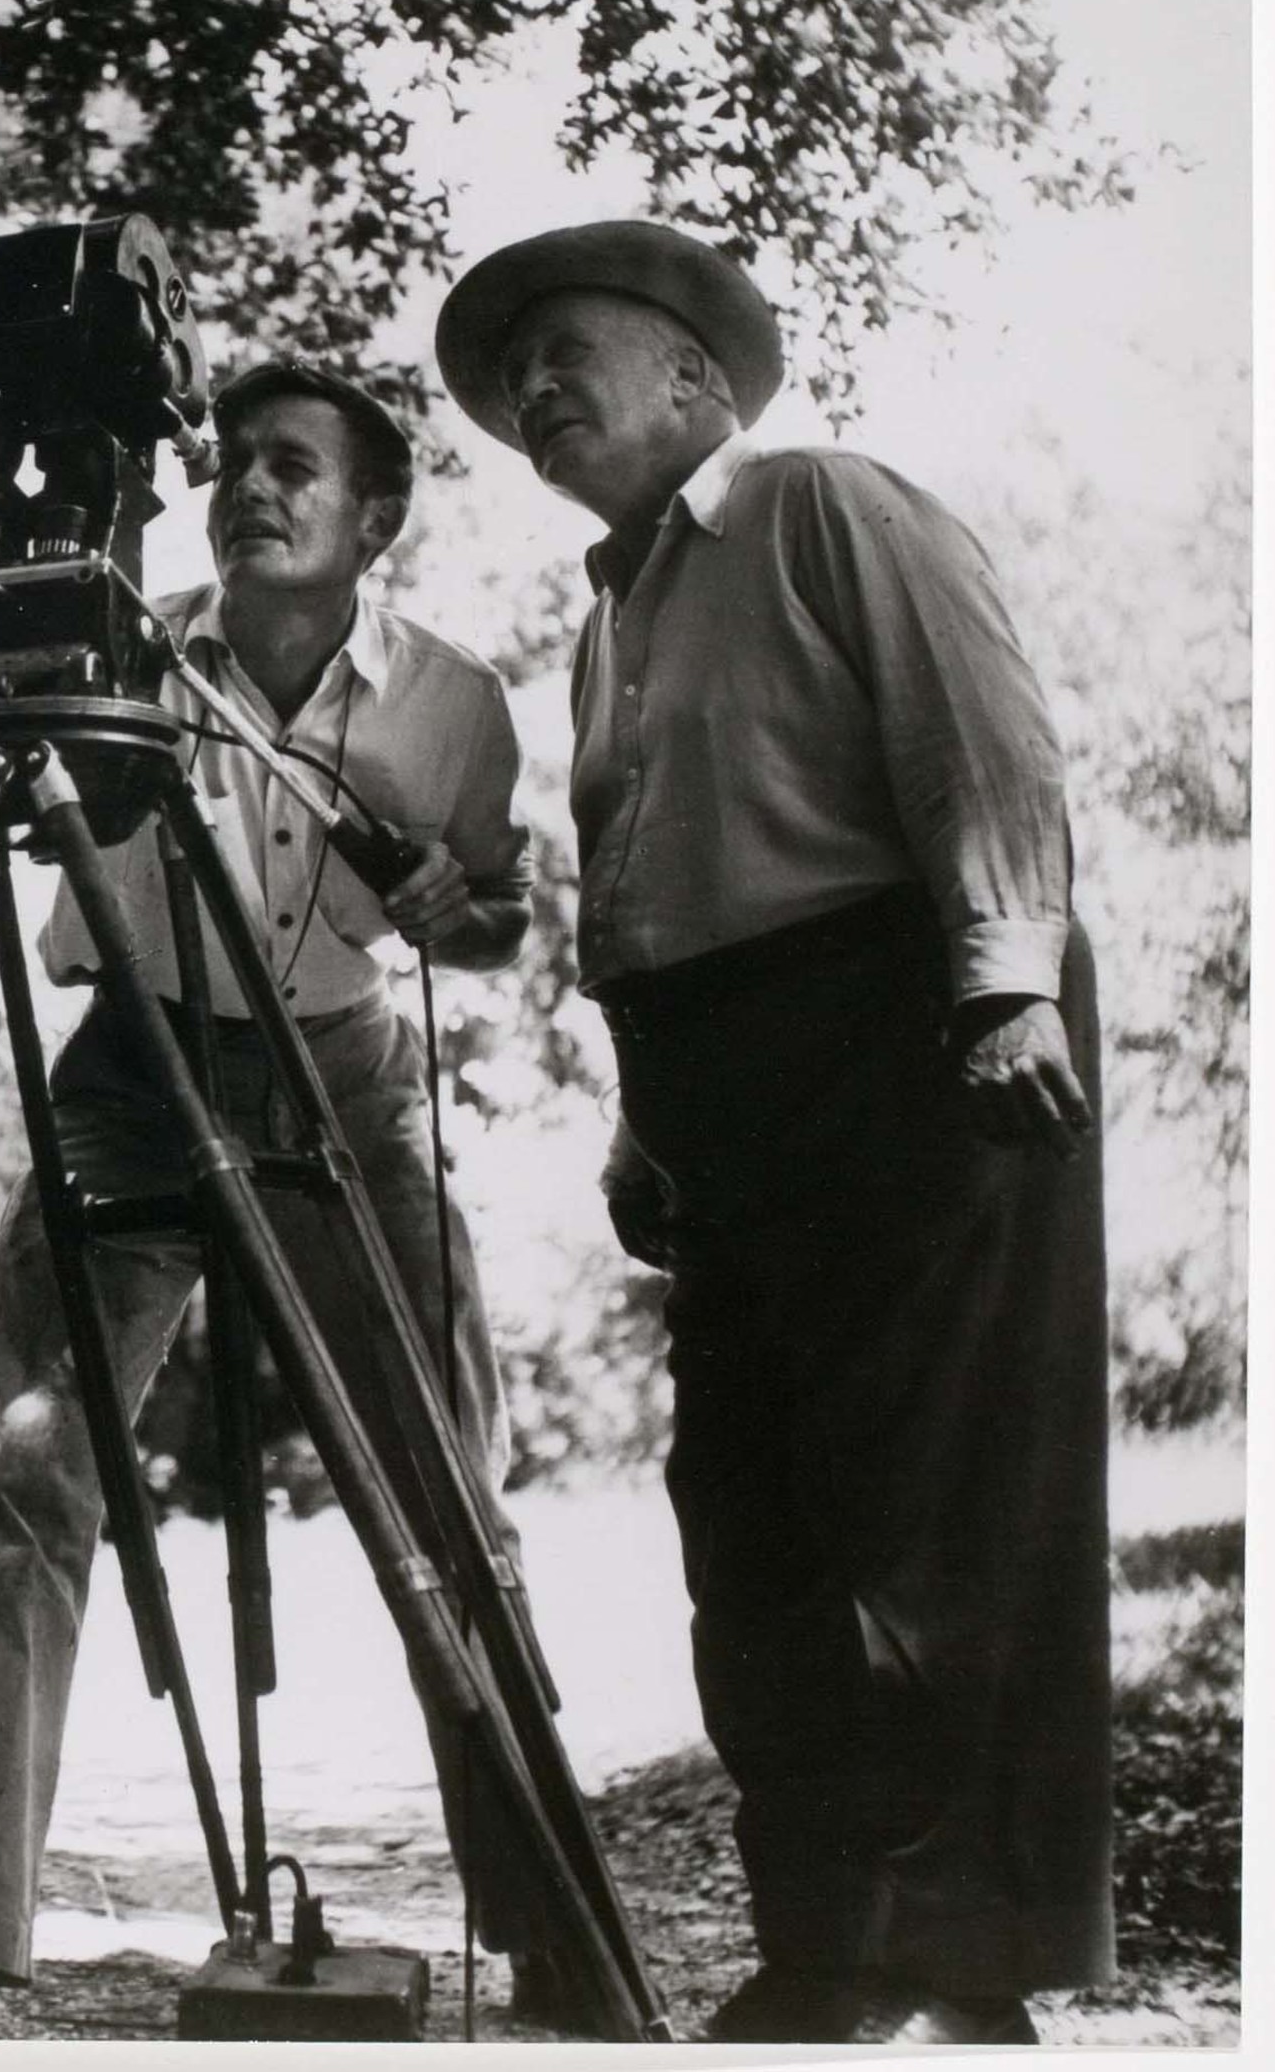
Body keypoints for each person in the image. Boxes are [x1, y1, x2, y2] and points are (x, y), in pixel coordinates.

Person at [433, 220, 1112, 2045]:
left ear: (699, 381)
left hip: (908, 1028)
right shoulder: (607, 617)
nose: (534, 395)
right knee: (747, 1527)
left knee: (928, 1519)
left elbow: (981, 742)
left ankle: (963, 1966)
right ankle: (829, 1944)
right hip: (727, 1090)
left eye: (565, 352)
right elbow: (643, 898)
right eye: (513, 388)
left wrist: (1000, 982)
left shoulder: (818, 499)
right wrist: (653, 1136)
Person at [0, 352, 563, 2038]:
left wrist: (462, 912)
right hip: (132, 1073)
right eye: (233, 460)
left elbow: (501, 923)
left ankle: (554, 1920)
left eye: (293, 466)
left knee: (449, 1496)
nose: (250, 485)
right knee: (28, 1482)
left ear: (372, 517)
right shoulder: (122, 651)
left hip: (346, 1077)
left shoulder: (453, 704)